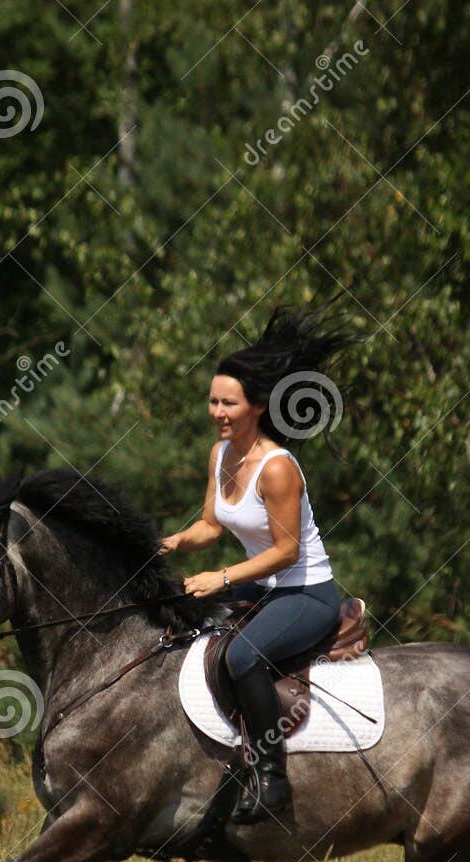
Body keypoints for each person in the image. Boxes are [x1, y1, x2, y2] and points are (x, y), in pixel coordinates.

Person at [158, 305, 357, 824]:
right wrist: (175, 542)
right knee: (176, 616)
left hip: (307, 593)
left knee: (242, 658)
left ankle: (272, 781)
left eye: (229, 403)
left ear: (258, 407)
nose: (218, 412)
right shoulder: (220, 455)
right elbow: (211, 526)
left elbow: (287, 552)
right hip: (266, 589)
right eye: (212, 402)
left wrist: (220, 577)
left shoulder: (278, 468)